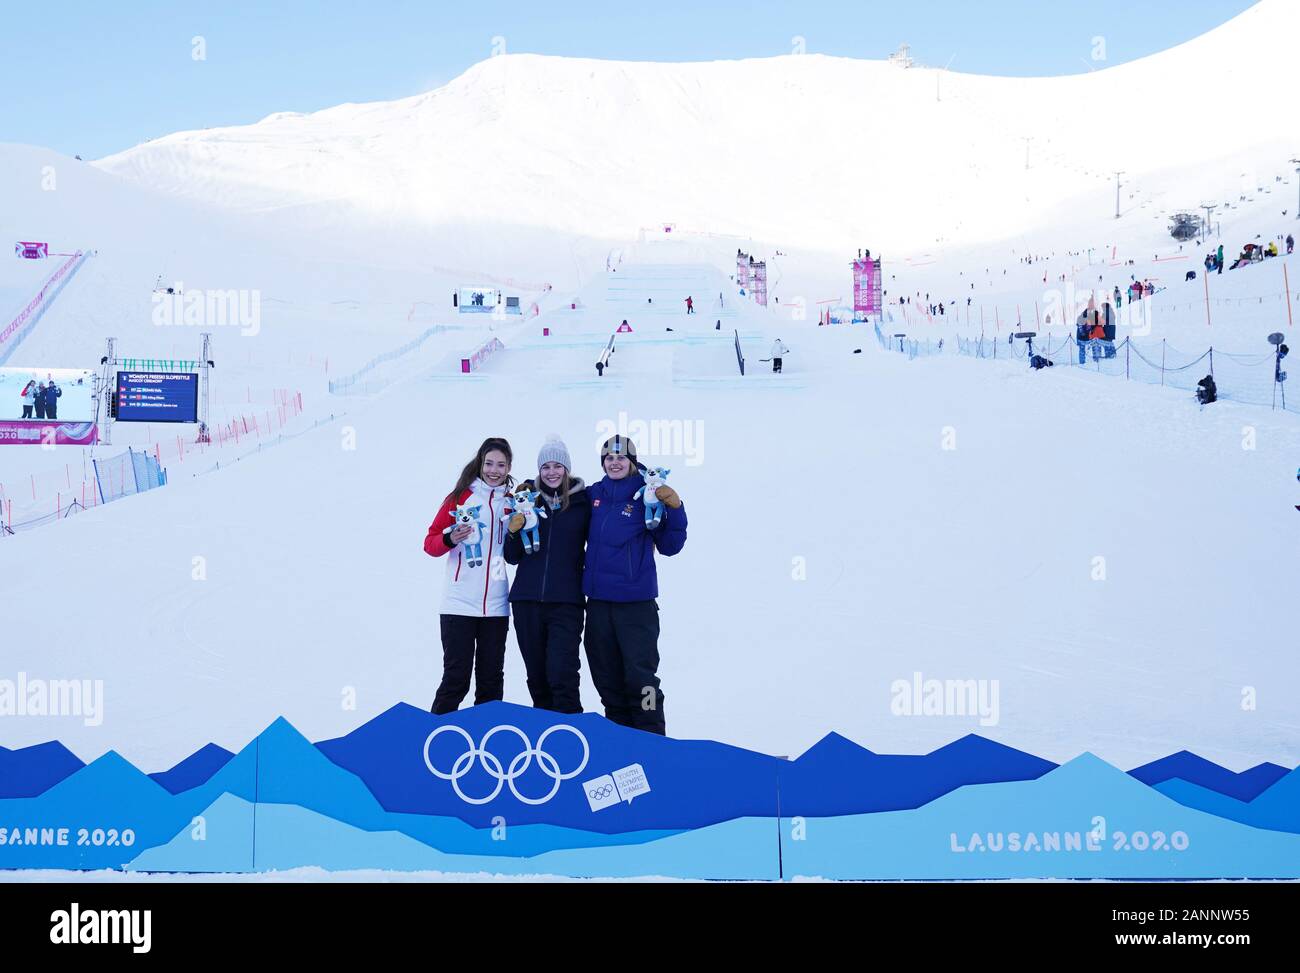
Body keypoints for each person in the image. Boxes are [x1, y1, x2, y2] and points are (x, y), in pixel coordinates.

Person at [582, 436, 686, 735]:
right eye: (608, 457)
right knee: (606, 677)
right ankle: (620, 743)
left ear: (631, 461)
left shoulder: (648, 494)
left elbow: (671, 545)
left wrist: (676, 508)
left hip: (636, 605)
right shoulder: (594, 494)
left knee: (642, 679)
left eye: (620, 457)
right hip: (599, 603)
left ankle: (653, 737)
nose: (614, 462)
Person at [423, 437, 515, 714]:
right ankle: (435, 738)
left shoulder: (512, 502)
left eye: (501, 464)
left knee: (490, 682)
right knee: (456, 679)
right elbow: (430, 543)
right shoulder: (461, 497)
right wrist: (451, 537)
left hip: (497, 606)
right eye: (489, 463)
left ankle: (486, 745)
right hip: (458, 604)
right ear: (480, 463)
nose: (494, 470)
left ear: (509, 467)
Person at [502, 437, 591, 714]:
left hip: (567, 602)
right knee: (537, 678)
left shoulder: (583, 503)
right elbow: (512, 556)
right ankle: (544, 746)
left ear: (567, 469)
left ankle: (574, 739)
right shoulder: (525, 500)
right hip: (526, 600)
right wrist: (515, 529)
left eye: (558, 466)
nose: (551, 472)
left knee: (562, 674)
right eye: (546, 467)